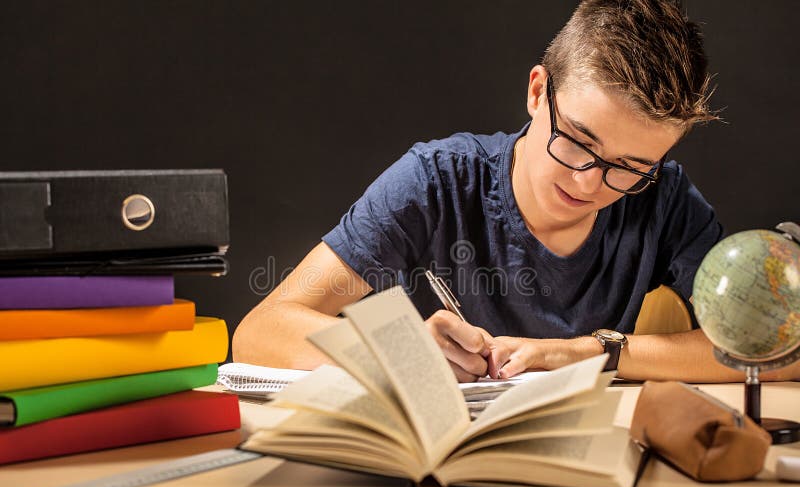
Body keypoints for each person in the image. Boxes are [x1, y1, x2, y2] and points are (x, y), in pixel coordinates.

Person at [233, 0, 799, 382]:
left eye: (630, 167)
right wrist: (404, 354)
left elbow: (776, 350)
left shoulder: (664, 199)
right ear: (537, 92)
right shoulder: (435, 180)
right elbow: (262, 330)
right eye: (577, 141)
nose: (589, 182)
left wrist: (593, 352)